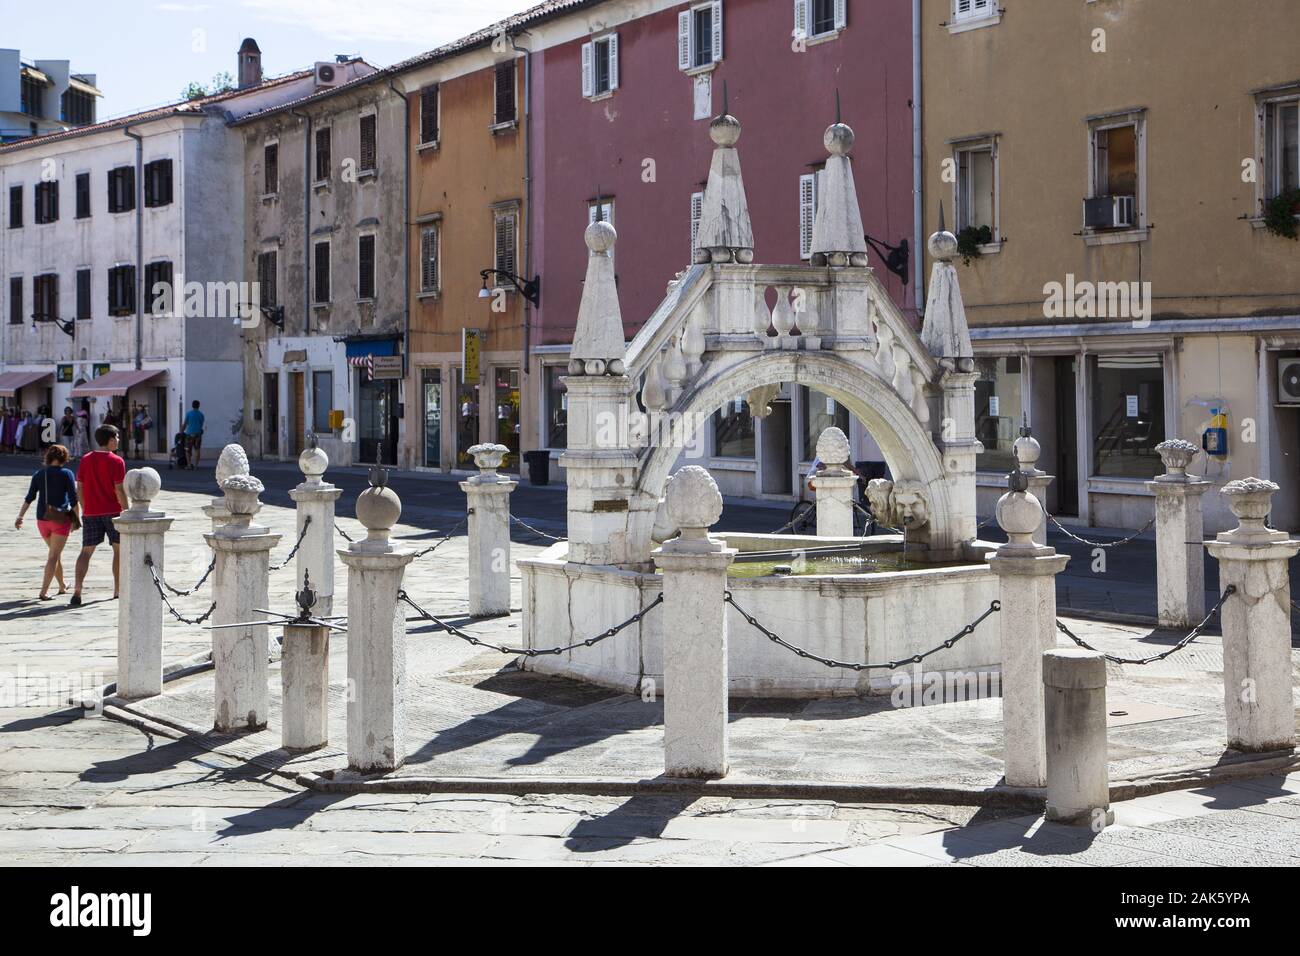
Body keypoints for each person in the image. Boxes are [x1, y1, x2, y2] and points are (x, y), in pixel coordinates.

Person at [71, 424, 128, 607]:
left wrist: (84, 507)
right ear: (110, 440)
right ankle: (117, 589)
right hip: (113, 512)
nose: (118, 440)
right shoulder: (117, 461)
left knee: (86, 551)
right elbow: (119, 490)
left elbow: (80, 487)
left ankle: (78, 589)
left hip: (91, 512)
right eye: (116, 437)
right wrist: (127, 510)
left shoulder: (86, 459)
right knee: (118, 550)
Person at [15, 444, 79, 600]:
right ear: (64, 457)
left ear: (48, 457)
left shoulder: (39, 474)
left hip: (42, 521)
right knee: (53, 556)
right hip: (60, 520)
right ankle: (44, 591)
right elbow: (73, 500)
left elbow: (29, 498)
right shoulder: (67, 474)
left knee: (54, 554)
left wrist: (20, 516)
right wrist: (76, 521)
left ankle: (62, 585)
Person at [183, 400, 205, 469]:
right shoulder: (201, 415)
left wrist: (181, 431)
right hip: (198, 434)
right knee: (197, 449)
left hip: (189, 434)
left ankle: (189, 465)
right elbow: (201, 424)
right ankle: (196, 465)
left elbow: (185, 424)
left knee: (187, 449)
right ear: (199, 406)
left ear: (192, 405)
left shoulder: (189, 414)